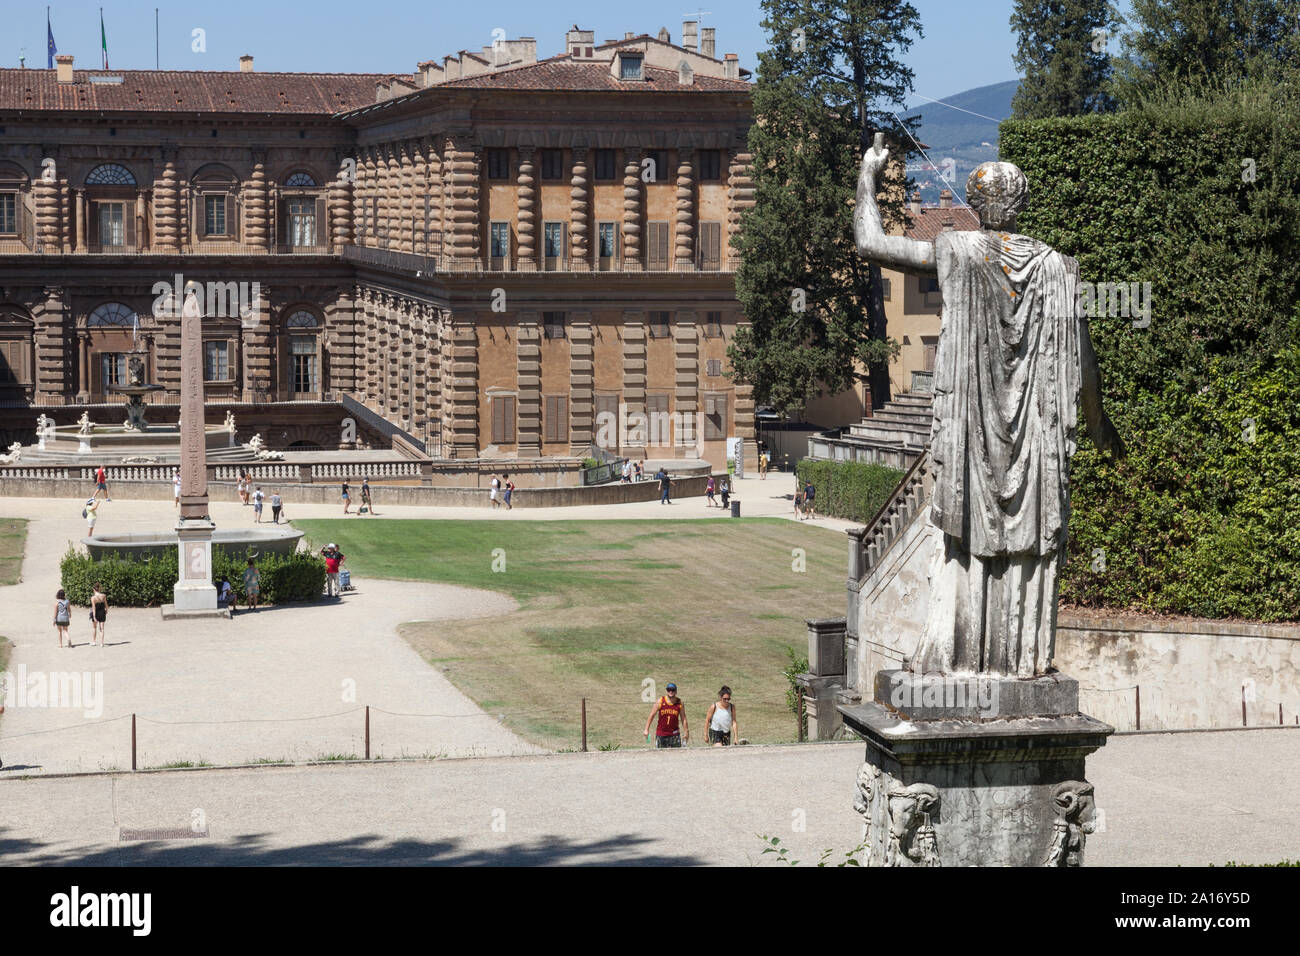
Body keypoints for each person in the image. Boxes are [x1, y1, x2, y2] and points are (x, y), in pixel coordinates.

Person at [643, 682, 688, 748]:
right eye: (669, 690)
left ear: (676, 691)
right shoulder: (660, 701)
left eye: (673, 690)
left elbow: (683, 719)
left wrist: (686, 731)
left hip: (674, 734)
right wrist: (646, 729)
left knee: (676, 755)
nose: (671, 691)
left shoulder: (679, 703)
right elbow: (651, 715)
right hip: (661, 734)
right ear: (666, 691)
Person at [89, 582, 108, 646]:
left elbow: (93, 608)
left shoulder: (93, 598)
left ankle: (94, 642)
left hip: (96, 613)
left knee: (94, 628)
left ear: (94, 589)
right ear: (99, 589)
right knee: (102, 629)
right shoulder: (103, 595)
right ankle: (102, 643)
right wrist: (107, 610)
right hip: (102, 612)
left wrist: (94, 616)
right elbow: (106, 604)